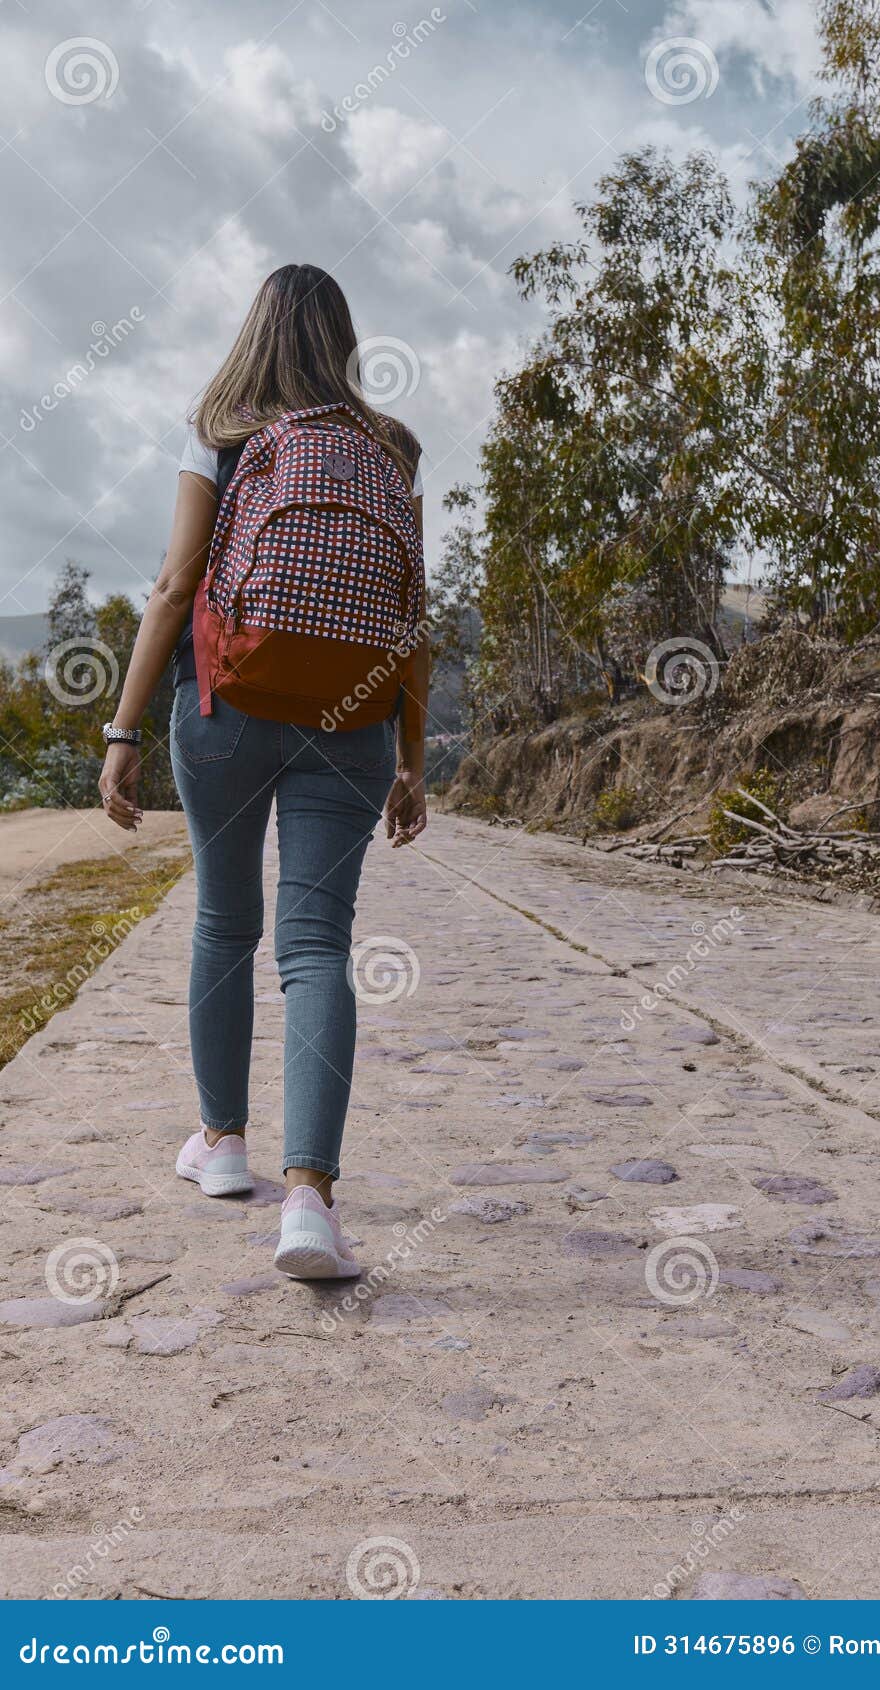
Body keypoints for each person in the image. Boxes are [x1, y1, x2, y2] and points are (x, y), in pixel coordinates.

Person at [98, 263, 428, 1279]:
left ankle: (222, 1145)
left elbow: (173, 585)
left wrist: (121, 732)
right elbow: (412, 617)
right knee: (316, 947)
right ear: (345, 340)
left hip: (225, 707)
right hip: (353, 718)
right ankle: (309, 1205)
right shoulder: (391, 446)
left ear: (256, 334)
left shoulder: (221, 426)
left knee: (225, 923)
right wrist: (412, 761)